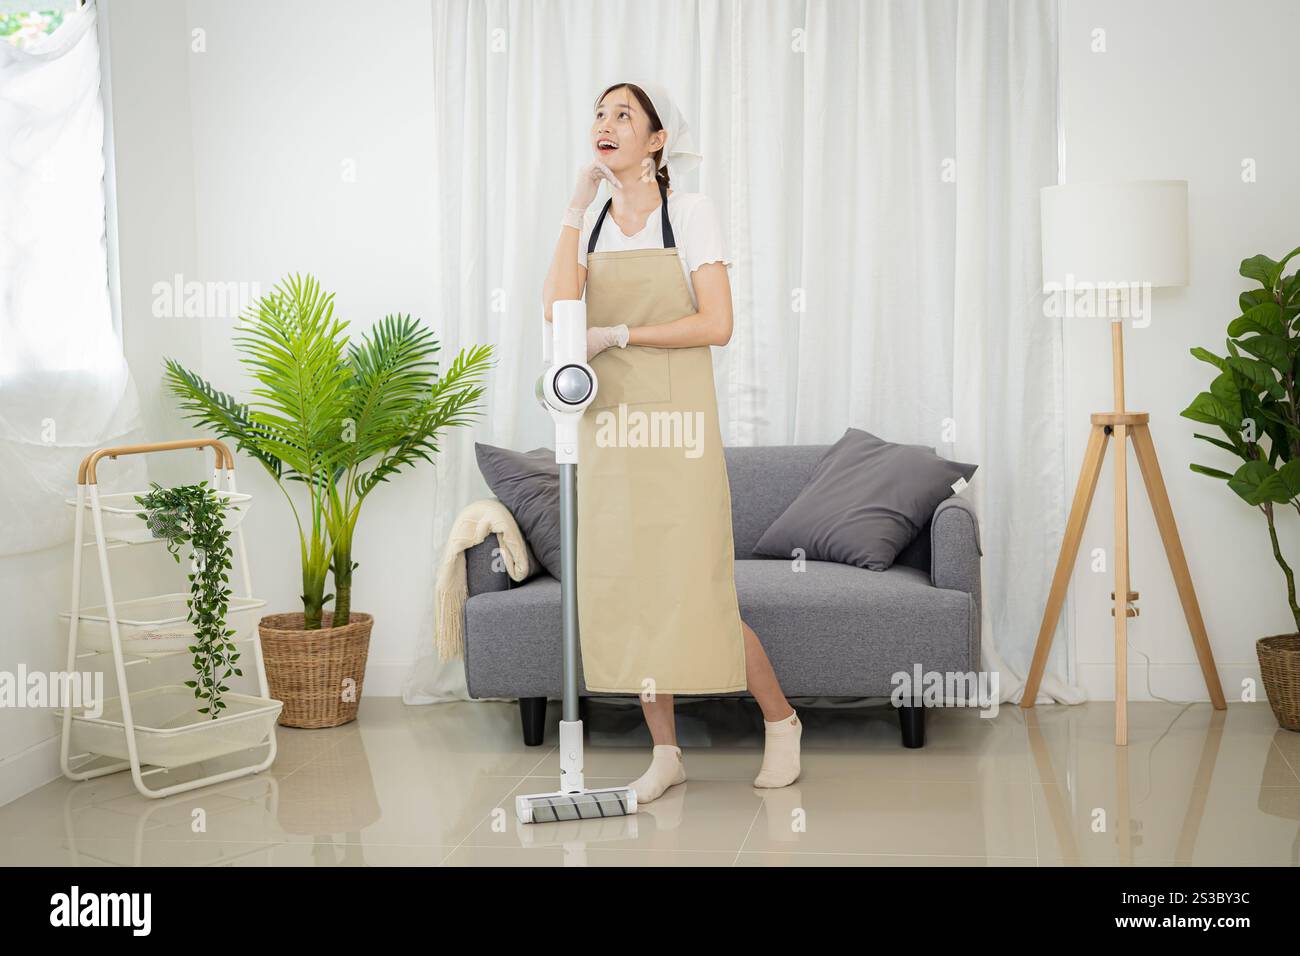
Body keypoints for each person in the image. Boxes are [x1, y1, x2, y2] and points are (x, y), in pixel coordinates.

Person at [541, 81, 802, 805]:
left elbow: (717, 324)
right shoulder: (591, 225)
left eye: (624, 114)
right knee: (630, 593)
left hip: (679, 429)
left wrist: (621, 333)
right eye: (599, 112)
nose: (606, 123)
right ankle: (666, 753)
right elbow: (557, 308)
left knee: (698, 590)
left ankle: (781, 722)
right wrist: (571, 209)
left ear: (656, 140)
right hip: (610, 429)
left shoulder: (688, 213)